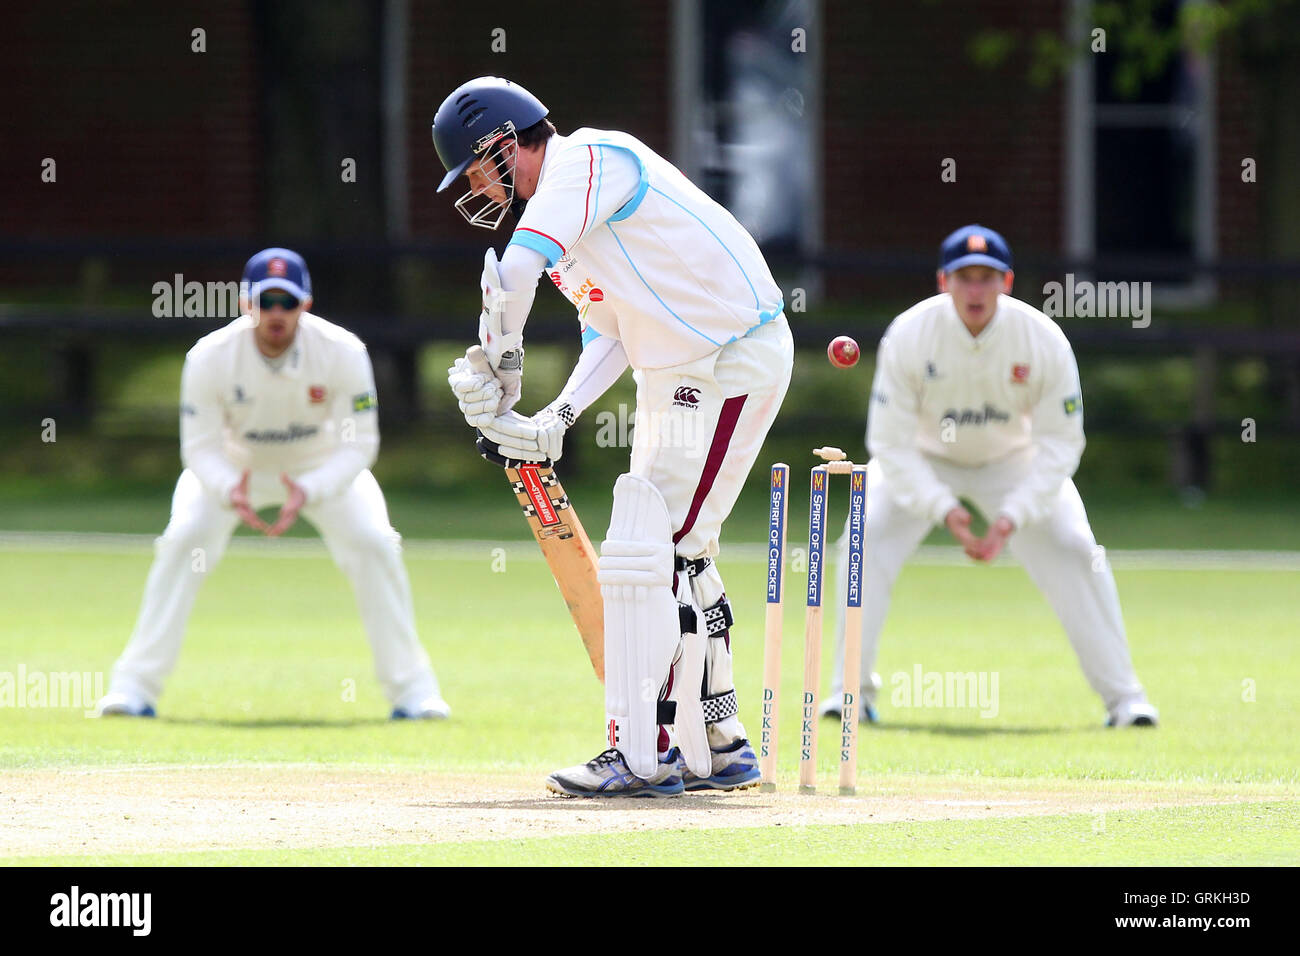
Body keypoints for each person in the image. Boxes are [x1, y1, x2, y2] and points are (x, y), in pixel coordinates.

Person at [434, 76, 793, 796]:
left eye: (476, 168)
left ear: (504, 142)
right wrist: (554, 418)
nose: (476, 186)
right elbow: (611, 330)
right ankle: (718, 744)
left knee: (656, 550)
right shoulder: (570, 235)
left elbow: (515, 272)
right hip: (678, 371)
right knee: (669, 549)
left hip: (731, 355)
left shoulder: (590, 160)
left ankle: (649, 749)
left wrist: (501, 367)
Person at [821, 225, 1158, 728]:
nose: (975, 290)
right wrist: (944, 509)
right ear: (943, 281)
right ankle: (849, 694)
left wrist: (1011, 517)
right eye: (964, 278)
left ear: (1007, 281)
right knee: (861, 539)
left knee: (1074, 547)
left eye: (986, 278)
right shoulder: (910, 334)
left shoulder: (1042, 339)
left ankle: (1126, 700)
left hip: (1013, 461)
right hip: (922, 457)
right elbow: (889, 442)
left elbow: (1061, 442)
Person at [95, 248, 449, 720]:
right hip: (233, 469)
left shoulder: (344, 351)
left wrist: (311, 489)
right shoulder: (210, 356)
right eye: (266, 302)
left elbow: (359, 444)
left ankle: (414, 693)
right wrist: (229, 488)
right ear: (246, 303)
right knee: (184, 542)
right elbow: (198, 447)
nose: (276, 314)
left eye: (287, 302)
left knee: (375, 544)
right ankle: (134, 689)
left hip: (321, 469)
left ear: (305, 304)